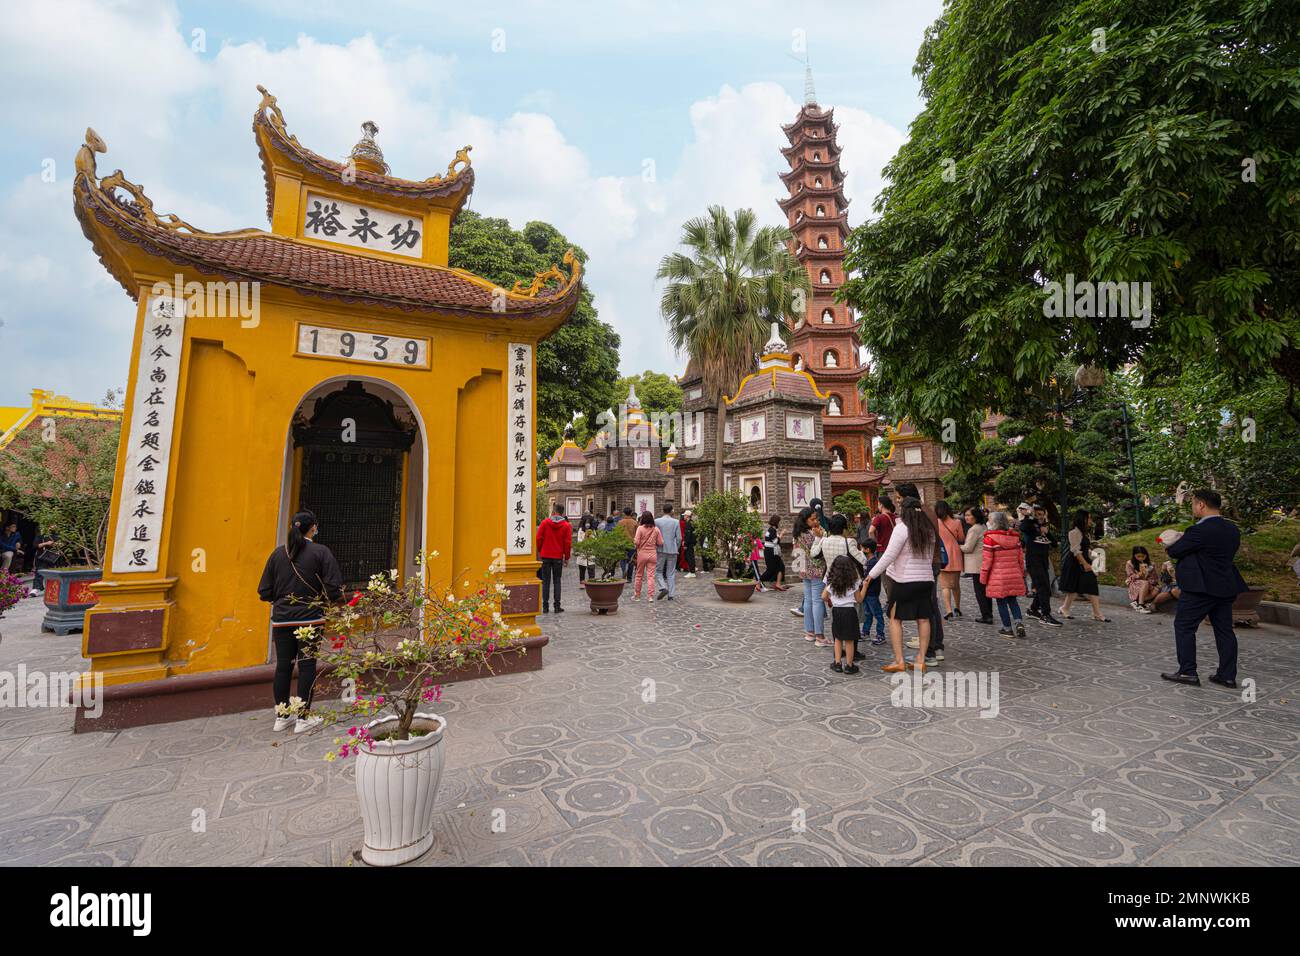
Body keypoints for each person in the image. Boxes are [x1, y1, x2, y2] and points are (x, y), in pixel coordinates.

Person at [257, 510, 343, 733]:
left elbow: (264, 591)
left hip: (282, 620)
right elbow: (334, 587)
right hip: (311, 619)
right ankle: (303, 717)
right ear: (313, 527)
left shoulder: (278, 554)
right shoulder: (320, 552)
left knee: (283, 666)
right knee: (306, 666)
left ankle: (282, 716)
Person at [1161, 489, 1247, 689]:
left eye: (1193, 504)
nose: (1192, 508)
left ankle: (1187, 671)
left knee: (1184, 626)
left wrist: (1173, 542)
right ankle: (1227, 675)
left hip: (1200, 588)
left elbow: (1175, 550)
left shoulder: (1200, 530)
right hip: (1225, 586)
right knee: (1225, 631)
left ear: (1201, 505)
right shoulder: (1232, 529)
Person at [865, 496, 936, 672]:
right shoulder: (929, 529)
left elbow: (889, 555)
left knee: (895, 619)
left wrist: (871, 575)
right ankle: (920, 659)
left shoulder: (902, 529)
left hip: (904, 581)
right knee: (923, 618)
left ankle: (900, 660)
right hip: (926, 580)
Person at [893, 483, 945, 666]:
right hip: (930, 563)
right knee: (930, 606)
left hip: (925, 565)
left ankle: (931, 649)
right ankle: (934, 644)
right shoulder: (926, 511)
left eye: (899, 498)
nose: (897, 502)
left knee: (926, 609)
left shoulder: (919, 514)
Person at [812, 513, 868, 659]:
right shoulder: (848, 542)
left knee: (836, 617)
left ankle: (839, 650)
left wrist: (818, 537)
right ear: (844, 528)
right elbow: (862, 560)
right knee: (853, 617)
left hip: (832, 582)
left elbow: (814, 554)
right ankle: (852, 651)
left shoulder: (824, 541)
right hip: (850, 581)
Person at [981, 511, 1028, 639]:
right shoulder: (1015, 538)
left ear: (994, 523)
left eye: (989, 520)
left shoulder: (989, 539)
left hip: (998, 577)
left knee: (1001, 602)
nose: (988, 522)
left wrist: (983, 578)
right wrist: (1022, 573)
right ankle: (1018, 621)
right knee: (1013, 600)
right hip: (1014, 574)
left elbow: (987, 562)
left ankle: (1007, 628)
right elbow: (1020, 559)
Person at [1057, 510, 1109, 622]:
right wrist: (1085, 564)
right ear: (1083, 519)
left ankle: (1093, 612)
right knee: (1079, 587)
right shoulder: (1074, 532)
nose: (1091, 520)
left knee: (1086, 586)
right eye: (1089, 518)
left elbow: (1085, 549)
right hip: (1076, 563)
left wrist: (1097, 557)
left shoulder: (1084, 532)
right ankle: (1094, 613)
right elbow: (1076, 550)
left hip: (1083, 562)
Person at [1020, 504, 1062, 627]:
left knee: (1043, 587)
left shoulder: (1044, 527)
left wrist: (1047, 533)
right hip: (1033, 560)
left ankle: (1033, 609)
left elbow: (1054, 544)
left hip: (1043, 561)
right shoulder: (1030, 526)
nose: (1040, 517)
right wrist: (1029, 516)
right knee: (1044, 588)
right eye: (1037, 514)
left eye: (1042, 514)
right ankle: (1045, 614)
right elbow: (1023, 527)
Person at [791, 506, 828, 646]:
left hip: (804, 569)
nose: (816, 521)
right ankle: (819, 636)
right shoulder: (812, 535)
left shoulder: (798, 533)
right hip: (816, 570)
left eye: (816, 518)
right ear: (805, 520)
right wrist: (821, 536)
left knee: (808, 601)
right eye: (812, 519)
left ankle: (810, 632)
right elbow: (820, 549)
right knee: (817, 601)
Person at [823, 554, 863, 674]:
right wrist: (865, 587)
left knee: (838, 638)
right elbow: (859, 599)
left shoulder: (831, 583)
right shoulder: (854, 582)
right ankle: (849, 665)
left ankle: (837, 663)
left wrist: (832, 600)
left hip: (836, 611)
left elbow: (823, 596)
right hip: (850, 611)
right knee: (849, 640)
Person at [535, 503, 572, 613]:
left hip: (545, 555)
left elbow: (539, 538)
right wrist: (567, 557)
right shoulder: (566, 525)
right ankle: (557, 606)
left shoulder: (545, 523)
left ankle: (545, 606)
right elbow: (568, 543)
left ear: (554, 511)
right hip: (558, 557)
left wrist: (540, 549)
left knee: (546, 581)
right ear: (562, 512)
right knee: (557, 581)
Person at [960, 507, 993, 623]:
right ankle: (989, 613)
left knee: (979, 591)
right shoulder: (983, 527)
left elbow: (968, 548)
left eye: (969, 515)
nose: (966, 517)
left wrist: (957, 546)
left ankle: (986, 615)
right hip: (983, 562)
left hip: (976, 564)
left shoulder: (974, 529)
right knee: (985, 590)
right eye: (966, 515)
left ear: (975, 516)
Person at [935, 500, 965, 619]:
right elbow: (961, 538)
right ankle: (957, 607)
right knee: (956, 584)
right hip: (955, 554)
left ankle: (948, 610)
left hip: (942, 555)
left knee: (945, 586)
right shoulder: (957, 522)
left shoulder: (936, 523)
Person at [860, 538, 886, 645]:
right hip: (867, 593)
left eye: (862, 548)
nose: (861, 550)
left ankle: (881, 634)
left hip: (871, 593)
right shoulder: (869, 561)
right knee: (867, 613)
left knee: (877, 613)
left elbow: (868, 578)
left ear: (868, 549)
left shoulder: (873, 562)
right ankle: (865, 632)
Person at [632, 511, 663, 604]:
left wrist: (635, 541)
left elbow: (636, 542)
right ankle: (650, 597)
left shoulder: (640, 528)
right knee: (651, 576)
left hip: (642, 553)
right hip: (653, 554)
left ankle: (637, 595)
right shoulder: (656, 529)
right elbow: (661, 542)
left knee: (639, 575)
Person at [654, 503, 682, 600]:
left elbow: (655, 536)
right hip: (672, 549)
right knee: (671, 572)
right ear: (671, 511)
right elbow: (679, 538)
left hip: (660, 549)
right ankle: (671, 594)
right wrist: (676, 548)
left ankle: (662, 586)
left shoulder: (657, 521)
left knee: (658, 570)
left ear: (663, 510)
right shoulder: (676, 522)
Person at [1126, 546, 1160, 612]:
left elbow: (1155, 578)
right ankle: (1141, 605)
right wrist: (1138, 575)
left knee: (1157, 589)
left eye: (1143, 556)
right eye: (1138, 556)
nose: (1141, 558)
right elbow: (1130, 577)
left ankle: (1137, 602)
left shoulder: (1151, 564)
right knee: (1145, 583)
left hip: (1148, 583)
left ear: (1146, 555)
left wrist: (1150, 579)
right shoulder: (1130, 563)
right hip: (1135, 583)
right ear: (1134, 555)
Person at [31, 527, 62, 596]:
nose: (53, 526)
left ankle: (54, 589)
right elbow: (36, 545)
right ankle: (36, 588)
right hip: (42, 556)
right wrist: (46, 543)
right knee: (39, 572)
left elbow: (63, 544)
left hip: (54, 556)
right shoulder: (41, 534)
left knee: (54, 573)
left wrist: (55, 544)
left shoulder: (58, 534)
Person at [760, 514, 788, 590]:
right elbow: (776, 541)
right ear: (776, 522)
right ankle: (757, 582)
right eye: (779, 522)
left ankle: (778, 584)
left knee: (781, 567)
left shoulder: (772, 529)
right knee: (771, 569)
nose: (780, 524)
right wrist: (782, 534)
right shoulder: (772, 530)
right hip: (771, 552)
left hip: (772, 551)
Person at [574, 515, 597, 586]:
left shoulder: (593, 531)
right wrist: (585, 537)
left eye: (589, 522)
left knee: (591, 568)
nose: (587, 524)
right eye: (586, 522)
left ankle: (591, 582)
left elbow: (595, 541)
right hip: (582, 552)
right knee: (582, 568)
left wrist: (591, 537)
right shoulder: (581, 530)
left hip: (591, 552)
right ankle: (582, 582)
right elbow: (579, 541)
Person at [617, 507, 638, 581]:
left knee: (622, 559)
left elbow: (618, 533)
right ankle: (629, 577)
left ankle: (623, 571)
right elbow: (637, 534)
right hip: (631, 543)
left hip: (622, 543)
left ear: (624, 513)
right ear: (631, 513)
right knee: (631, 560)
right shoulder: (634, 522)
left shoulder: (620, 522)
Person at [679, 511, 697, 578]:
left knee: (690, 557)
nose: (684, 516)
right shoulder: (691, 522)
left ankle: (692, 572)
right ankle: (692, 571)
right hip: (691, 543)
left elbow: (688, 535)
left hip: (689, 543)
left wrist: (685, 544)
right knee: (690, 557)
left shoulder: (689, 523)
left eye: (685, 515)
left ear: (687, 516)